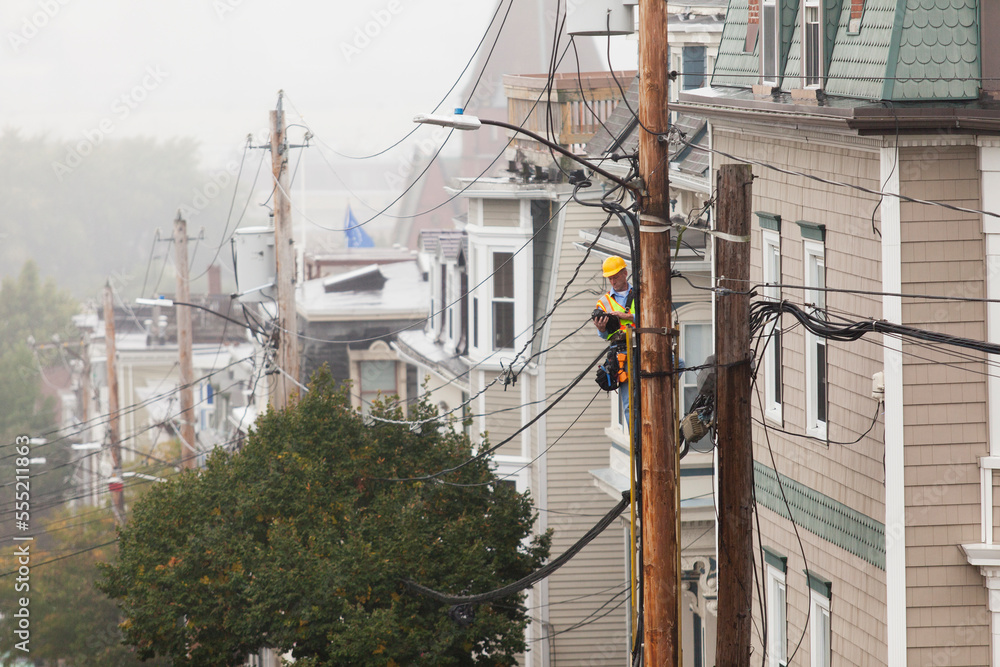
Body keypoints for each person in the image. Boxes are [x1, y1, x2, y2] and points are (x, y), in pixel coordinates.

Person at [592, 256, 636, 429]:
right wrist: (602, 329)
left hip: (646, 346)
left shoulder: (641, 294)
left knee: (678, 363)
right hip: (622, 353)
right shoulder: (603, 302)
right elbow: (603, 335)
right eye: (609, 278)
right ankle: (637, 443)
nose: (612, 281)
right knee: (629, 404)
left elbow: (653, 317)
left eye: (615, 276)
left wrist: (628, 316)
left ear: (625, 273)